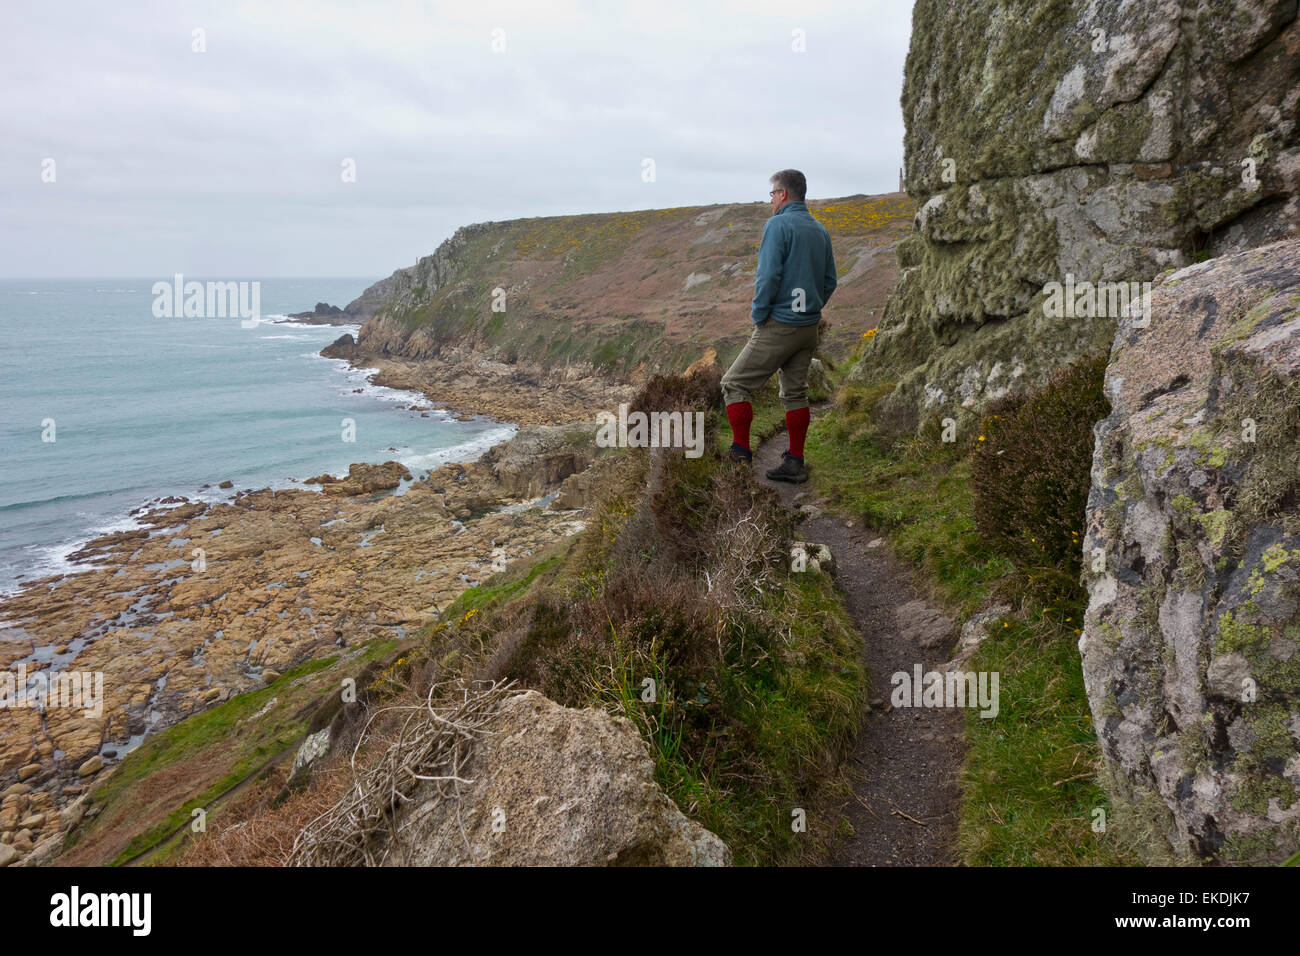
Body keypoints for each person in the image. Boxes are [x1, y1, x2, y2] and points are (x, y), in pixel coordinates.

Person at [720, 169, 837, 483]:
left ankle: (740, 454)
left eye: (772, 193)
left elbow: (768, 277)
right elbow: (829, 281)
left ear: (783, 194)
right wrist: (811, 307)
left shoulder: (777, 225)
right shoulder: (820, 230)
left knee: (734, 384)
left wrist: (760, 315)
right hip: (808, 328)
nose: (770, 199)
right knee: (796, 394)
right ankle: (795, 461)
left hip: (780, 324)